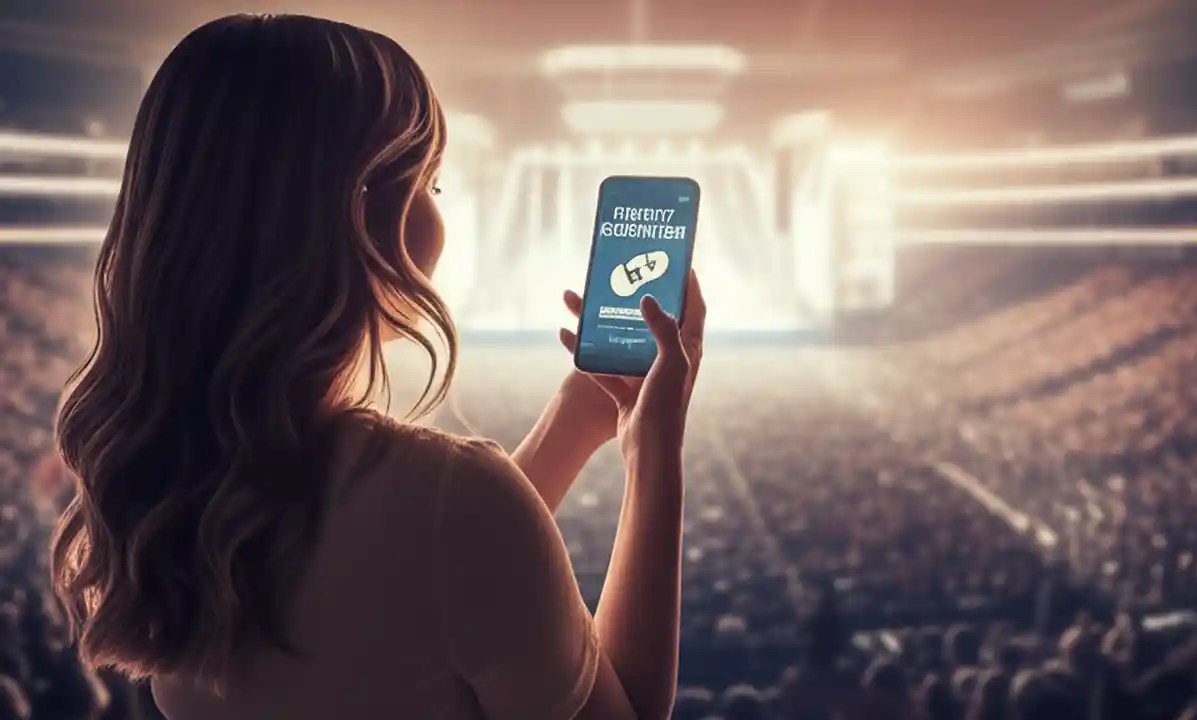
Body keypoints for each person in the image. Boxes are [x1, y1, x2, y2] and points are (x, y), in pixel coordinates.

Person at [48, 14, 705, 720]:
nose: (438, 213)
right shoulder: (453, 503)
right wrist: (654, 449)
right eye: (430, 182)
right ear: (359, 209)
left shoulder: (176, 492)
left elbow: (413, 585)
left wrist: (578, 421)